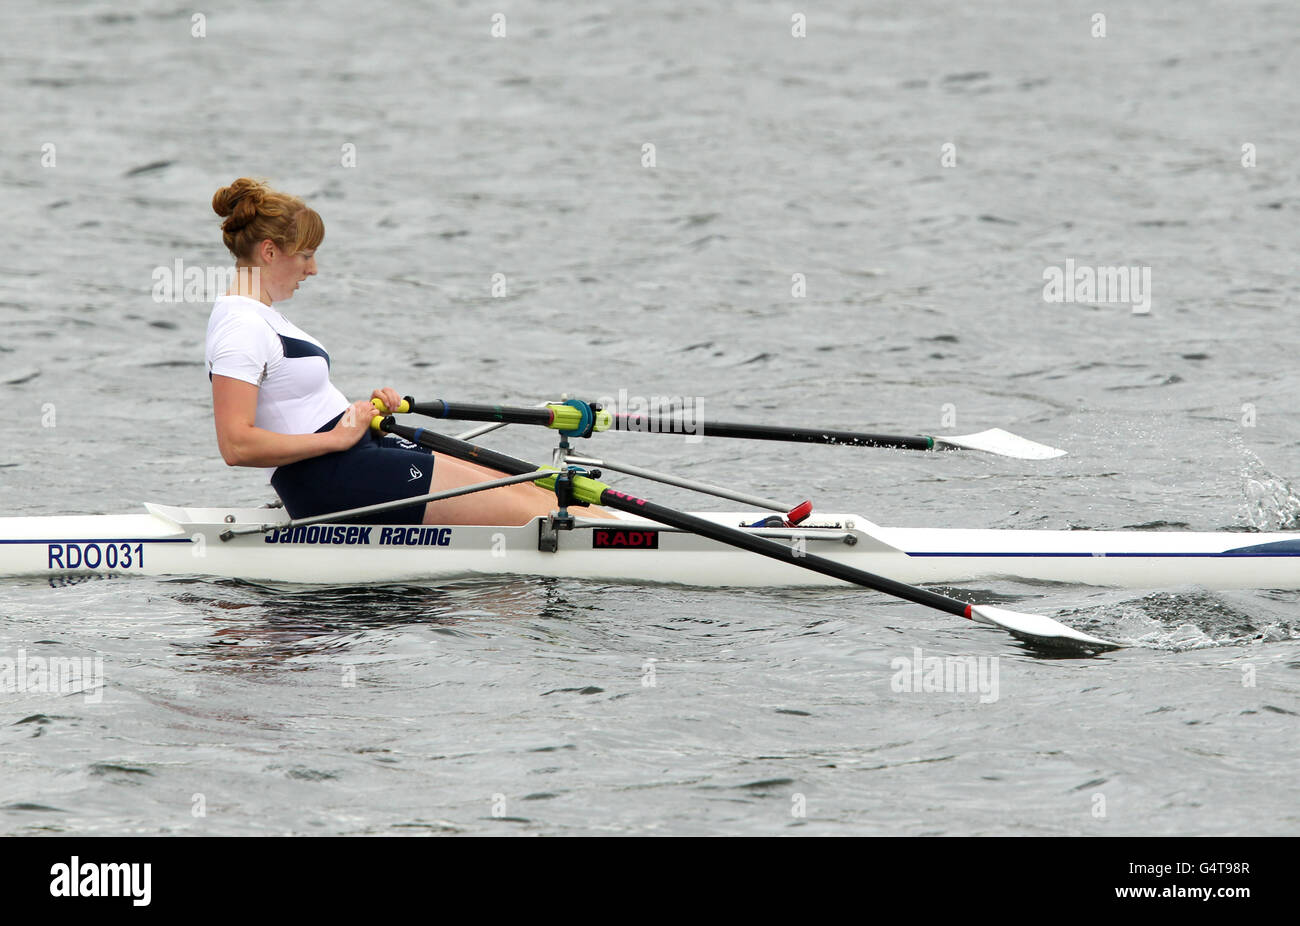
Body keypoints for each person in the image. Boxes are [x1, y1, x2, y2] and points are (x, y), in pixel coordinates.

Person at [205, 177, 591, 525]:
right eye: (306, 255)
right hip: (328, 474)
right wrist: (336, 438)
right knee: (543, 514)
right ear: (270, 252)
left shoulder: (262, 317)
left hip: (355, 454)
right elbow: (236, 444)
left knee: (540, 490)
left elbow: (296, 404)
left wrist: (361, 411)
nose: (314, 269)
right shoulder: (241, 327)